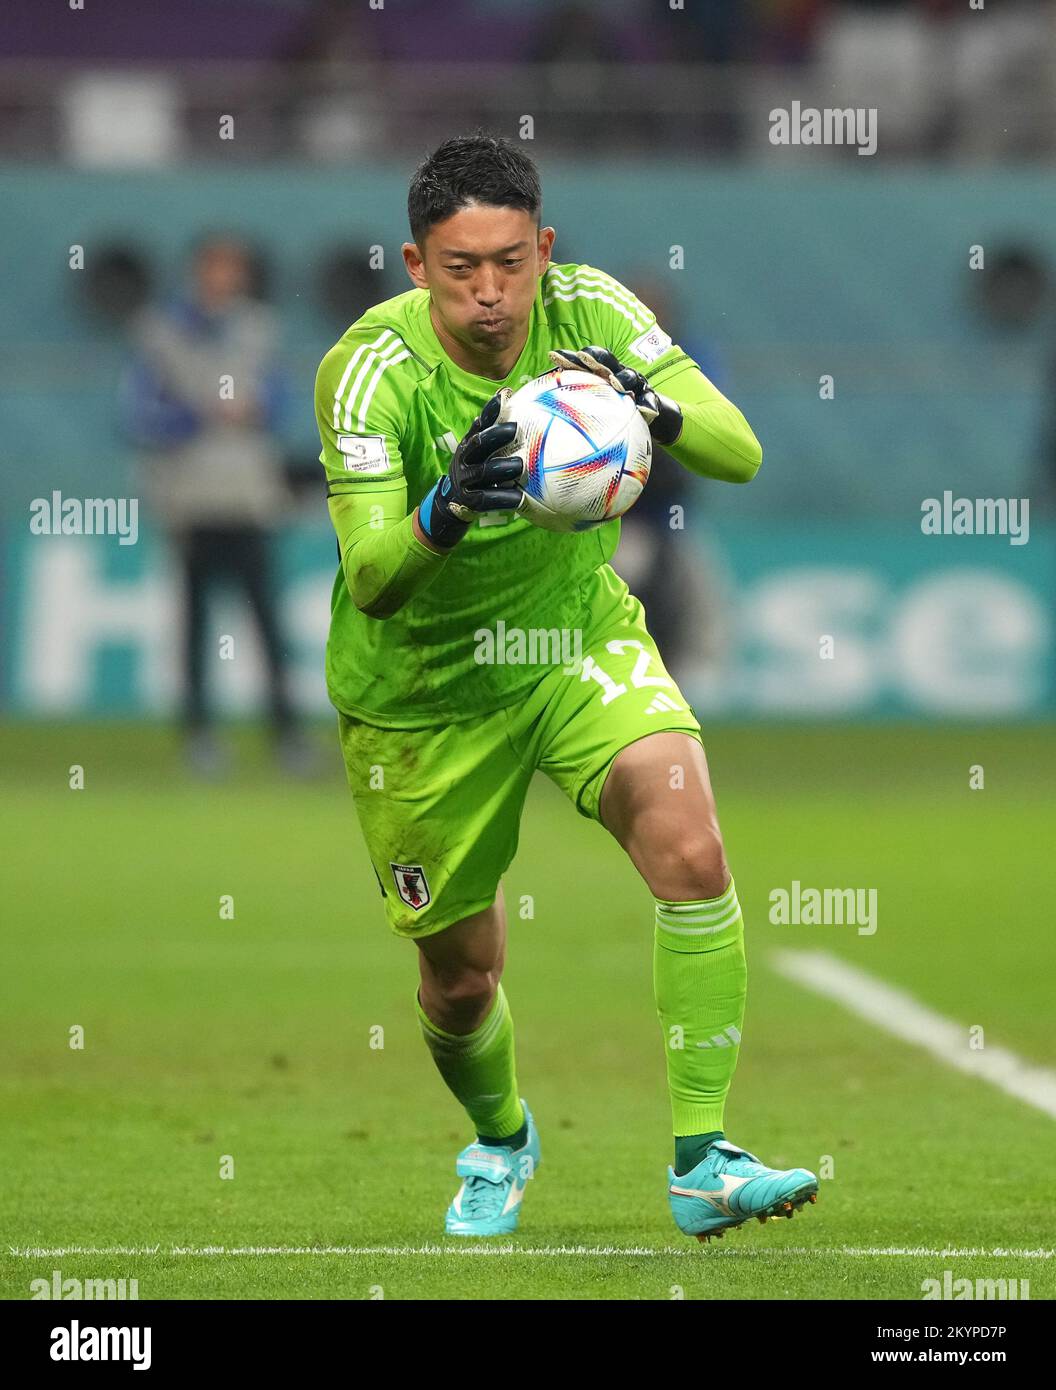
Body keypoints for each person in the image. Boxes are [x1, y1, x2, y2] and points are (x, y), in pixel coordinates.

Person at [314, 132, 817, 1241]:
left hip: (571, 638)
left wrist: (655, 399)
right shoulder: (367, 372)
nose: (490, 294)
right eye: (459, 269)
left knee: (693, 849)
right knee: (461, 977)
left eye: (510, 262)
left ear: (543, 247)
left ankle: (703, 1159)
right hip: (424, 692)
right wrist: (442, 510)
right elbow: (371, 579)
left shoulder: (590, 309)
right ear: (414, 264)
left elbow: (741, 453)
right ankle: (499, 1138)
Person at [124, 235, 310, 775]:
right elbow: (138, 416)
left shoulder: (257, 328)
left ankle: (286, 734)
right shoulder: (160, 333)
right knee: (194, 624)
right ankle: (199, 734)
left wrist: (255, 409)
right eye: (218, 269)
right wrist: (201, 414)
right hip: (190, 499)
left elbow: (283, 403)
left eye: (235, 270)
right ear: (199, 271)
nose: (227, 280)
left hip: (248, 497)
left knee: (267, 622)